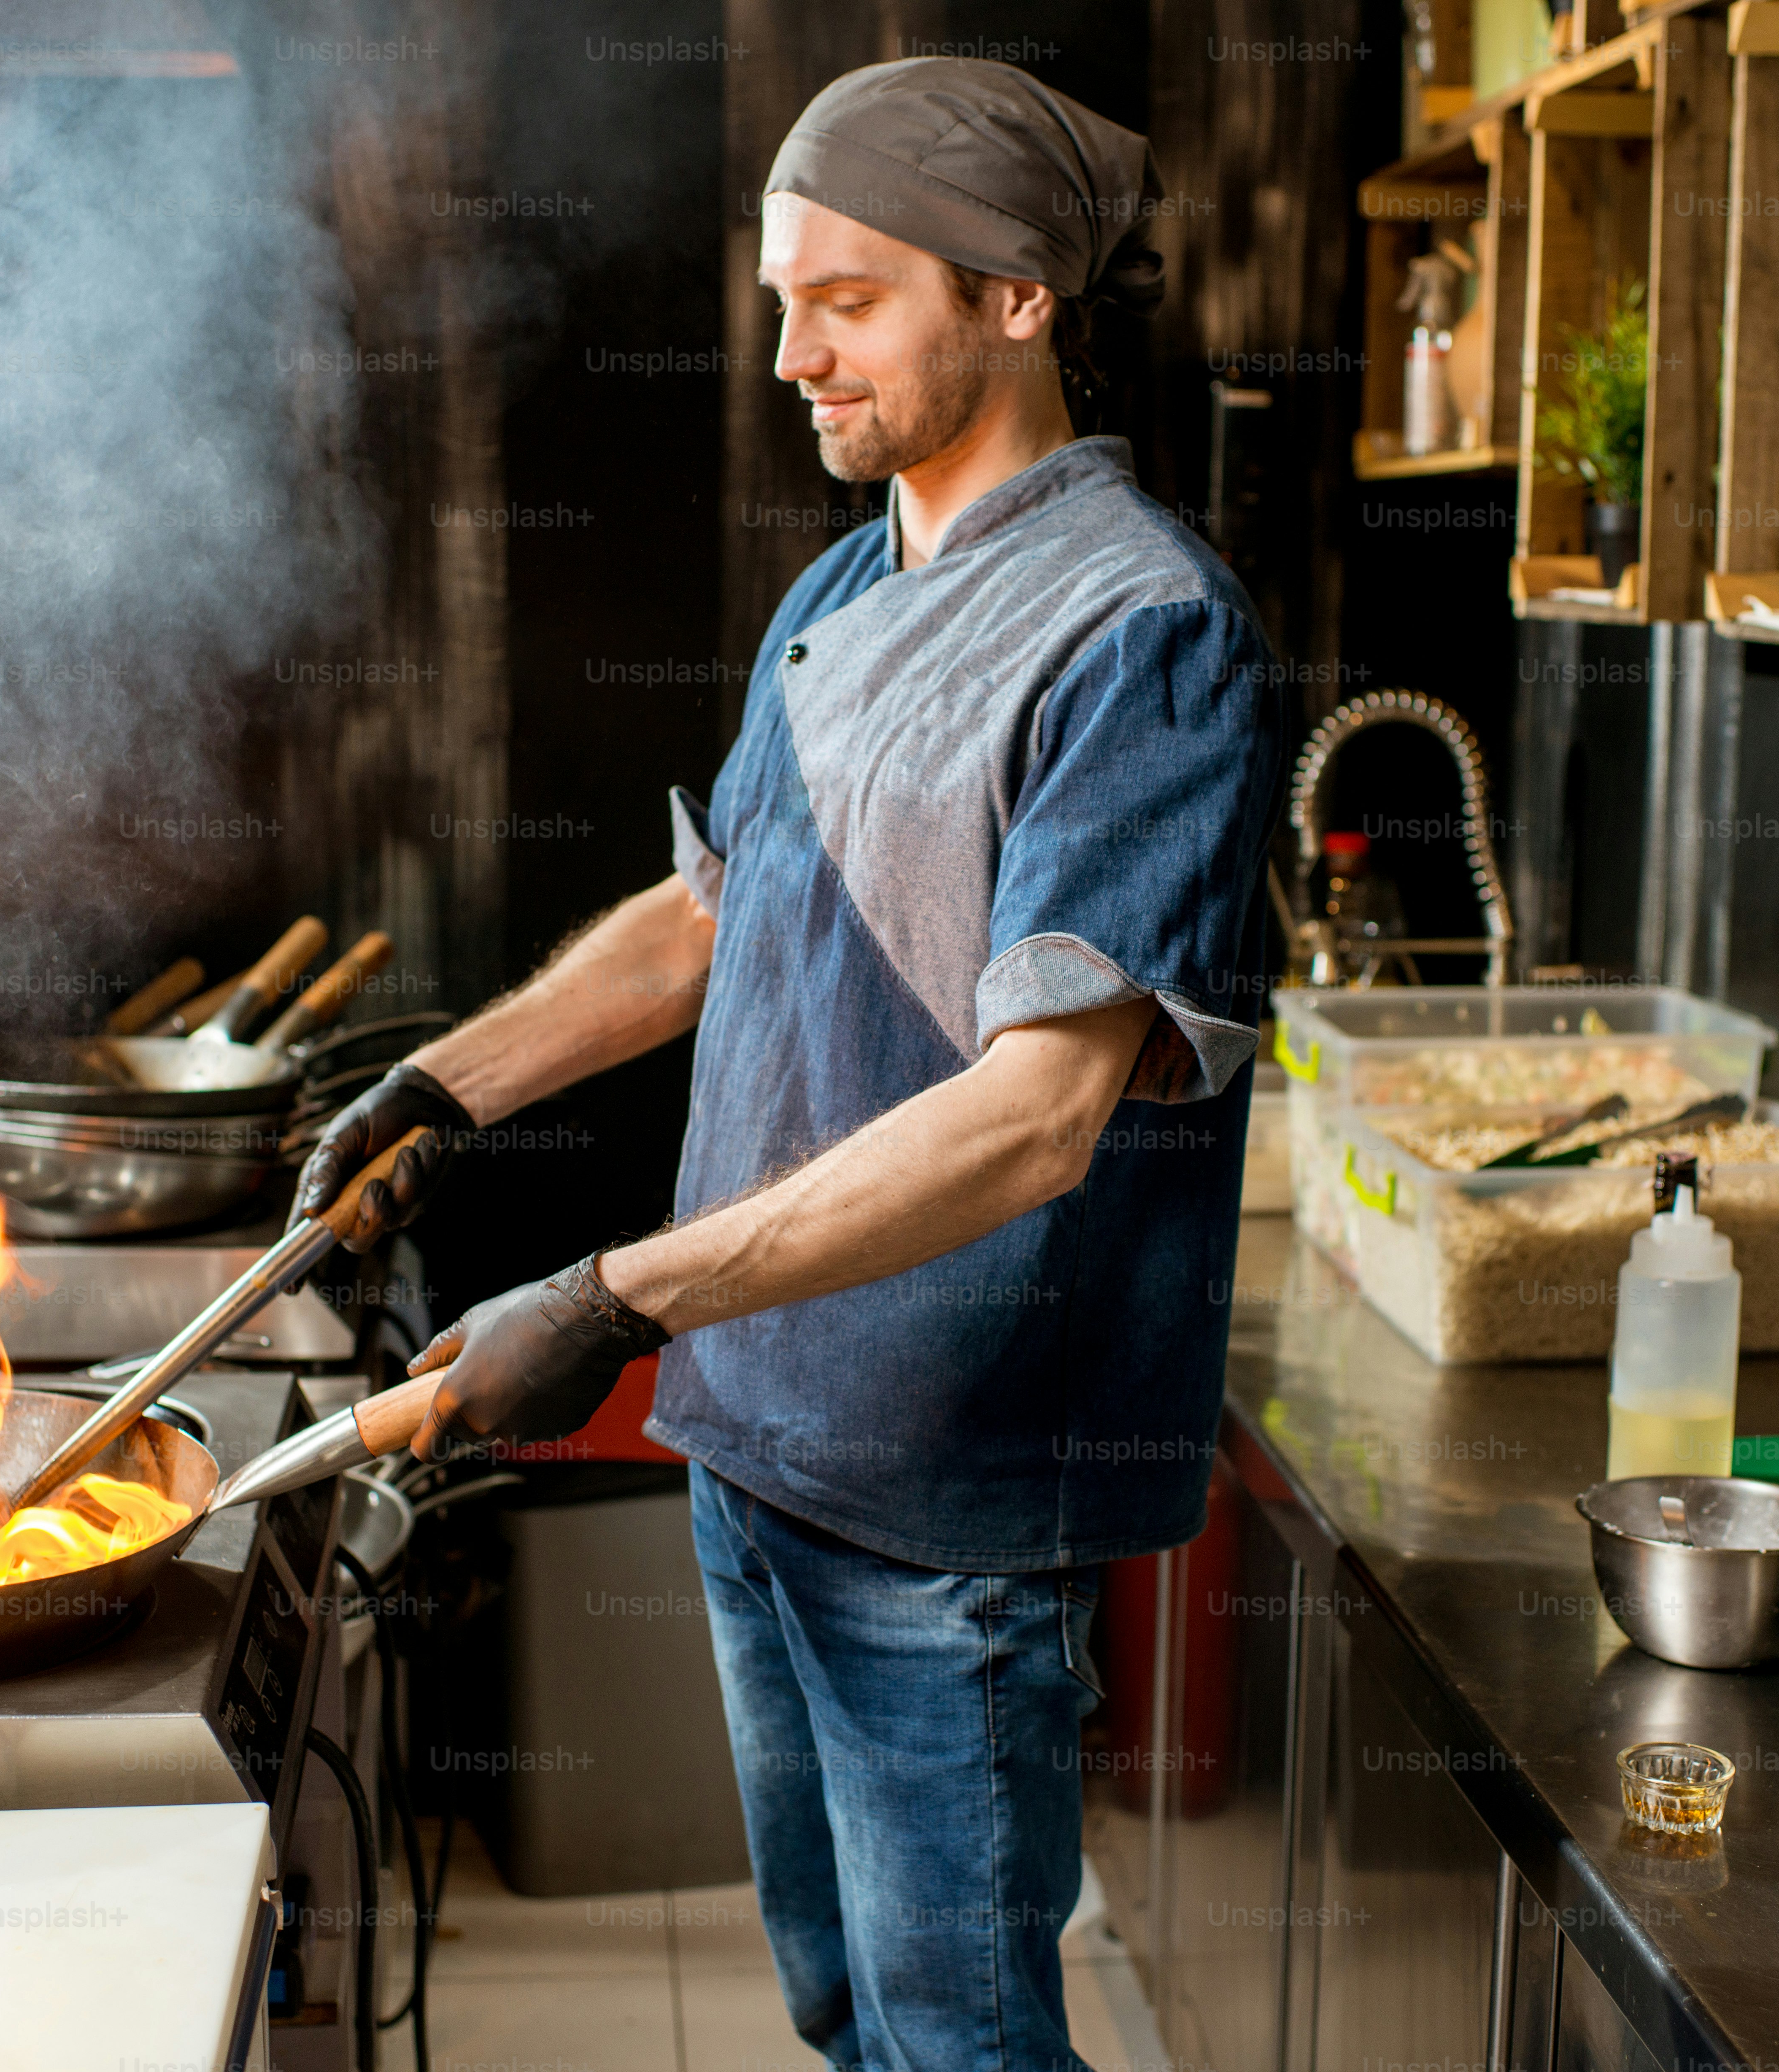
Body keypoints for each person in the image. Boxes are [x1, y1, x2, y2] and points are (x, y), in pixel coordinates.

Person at [292, 57, 1286, 2070]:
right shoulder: (848, 587)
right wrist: (443, 1089)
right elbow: (711, 913)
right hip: (760, 1444)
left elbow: (1036, 1118)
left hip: (948, 1487)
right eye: (777, 300)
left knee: (960, 2042)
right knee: (848, 2016)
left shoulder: (1141, 629)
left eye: (845, 299)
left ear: (1015, 297)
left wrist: (607, 1299)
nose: (789, 354)